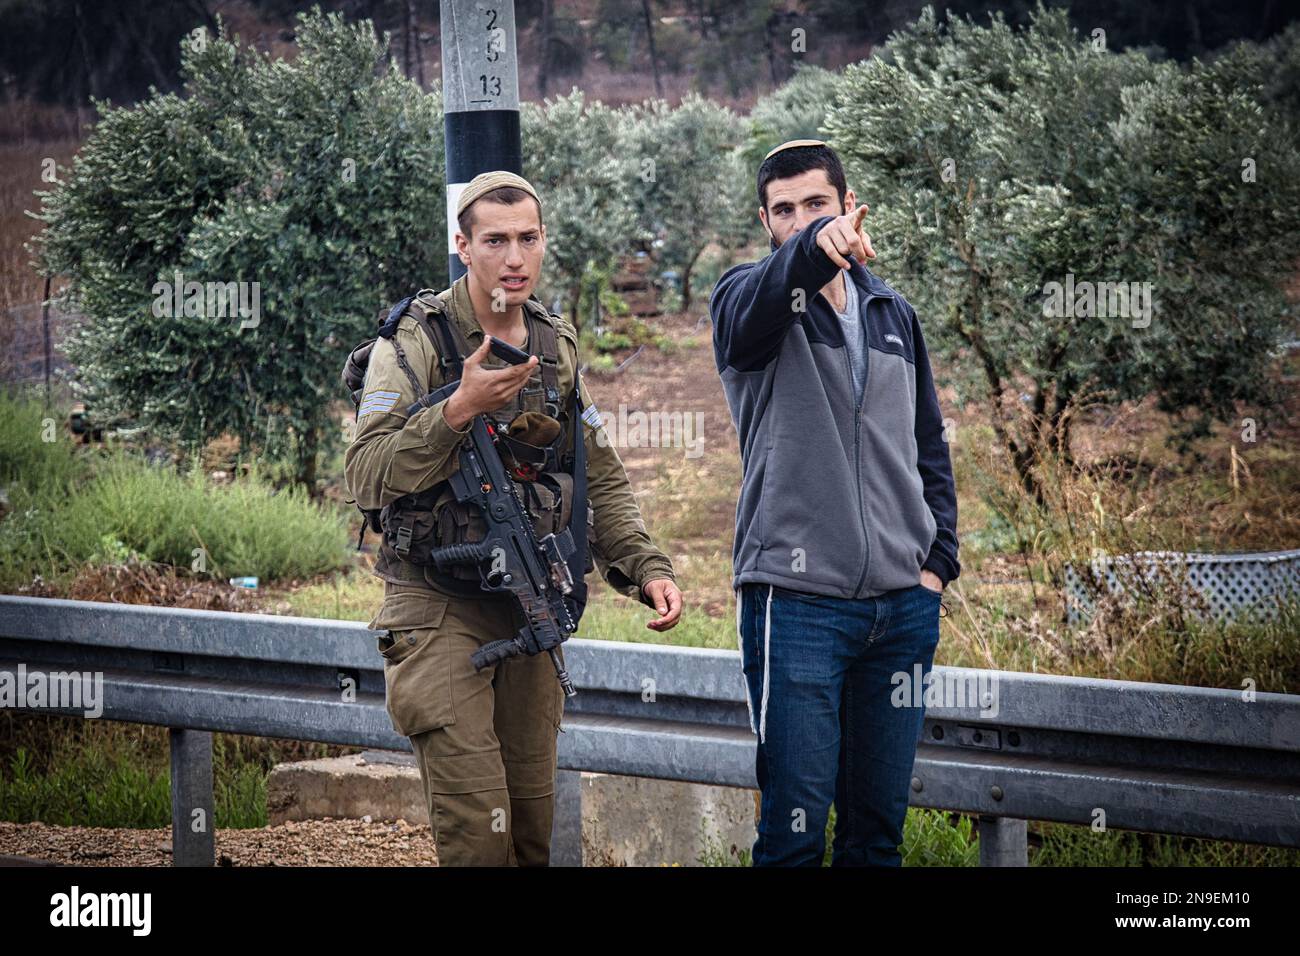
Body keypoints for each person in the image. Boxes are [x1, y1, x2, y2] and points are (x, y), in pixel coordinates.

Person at [344, 171, 682, 866]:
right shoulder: (414, 341)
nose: (514, 258)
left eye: (528, 238)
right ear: (463, 246)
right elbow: (366, 476)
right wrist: (458, 407)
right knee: (480, 842)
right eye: (495, 241)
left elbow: (596, 471)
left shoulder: (552, 345)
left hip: (527, 609)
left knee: (530, 836)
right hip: (438, 609)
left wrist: (643, 565)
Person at [709, 140, 960, 866]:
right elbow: (764, 297)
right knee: (791, 838)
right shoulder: (746, 302)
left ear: (849, 205)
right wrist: (816, 249)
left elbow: (927, 446)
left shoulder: (892, 313)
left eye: (817, 205)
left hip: (902, 609)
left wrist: (936, 563)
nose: (800, 220)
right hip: (796, 604)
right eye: (783, 211)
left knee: (875, 838)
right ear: (766, 221)